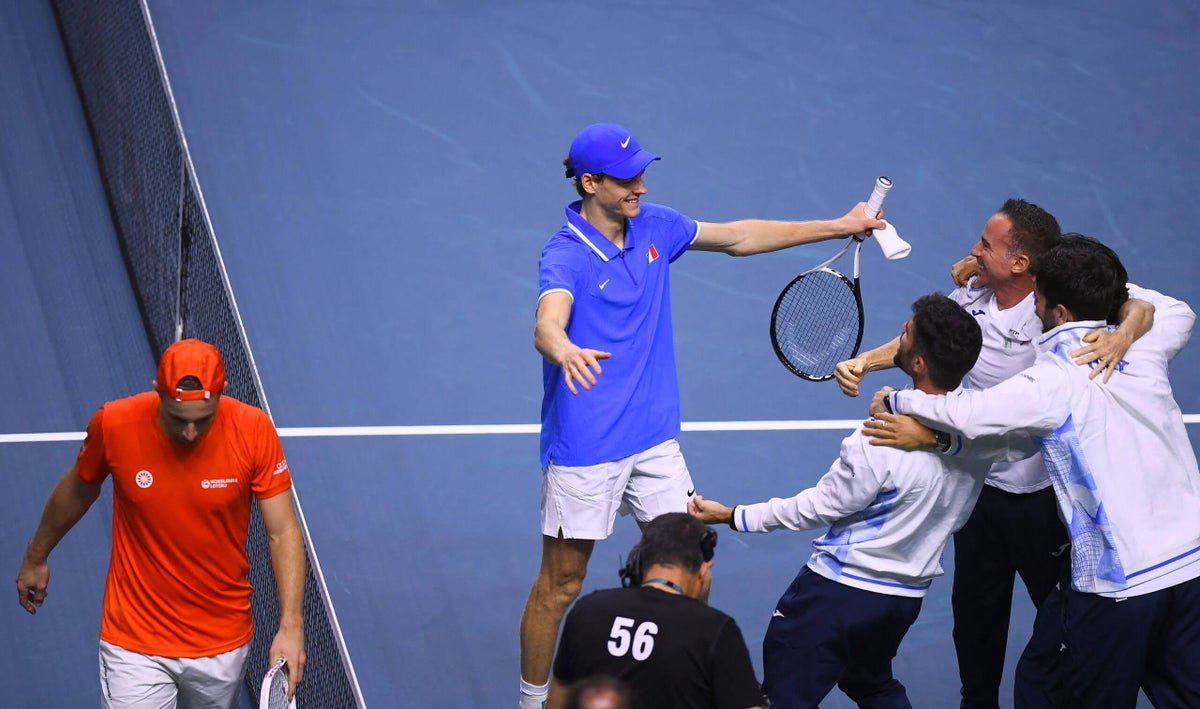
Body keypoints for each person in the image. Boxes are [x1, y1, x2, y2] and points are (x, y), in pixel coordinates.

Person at [518, 121, 885, 708]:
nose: (640, 184)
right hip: (586, 446)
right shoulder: (565, 254)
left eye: (642, 171)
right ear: (591, 183)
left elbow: (738, 236)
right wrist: (563, 349)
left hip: (654, 440)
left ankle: (676, 685)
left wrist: (839, 226)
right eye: (627, 176)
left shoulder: (655, 224)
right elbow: (547, 321)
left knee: (687, 563)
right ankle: (532, 703)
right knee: (561, 586)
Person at [833, 199, 1153, 708]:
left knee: (1065, 617)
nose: (973, 251)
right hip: (979, 493)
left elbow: (1143, 305)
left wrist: (1126, 334)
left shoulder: (1056, 306)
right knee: (975, 619)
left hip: (1042, 498)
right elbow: (923, 338)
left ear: (1022, 264)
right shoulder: (975, 295)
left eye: (987, 245)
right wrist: (865, 362)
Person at [691, 293, 995, 708]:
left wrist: (734, 515)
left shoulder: (879, 437)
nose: (899, 336)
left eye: (906, 334)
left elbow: (818, 507)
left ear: (919, 363)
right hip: (902, 598)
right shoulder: (983, 433)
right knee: (871, 683)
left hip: (837, 595)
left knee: (782, 699)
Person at [14, 339, 306, 707]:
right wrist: (36, 555)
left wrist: (291, 625)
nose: (189, 433)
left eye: (202, 420)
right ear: (158, 392)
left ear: (222, 393)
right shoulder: (115, 423)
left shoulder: (254, 431)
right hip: (135, 641)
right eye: (178, 420)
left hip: (222, 643)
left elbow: (283, 531)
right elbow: (77, 490)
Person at [548, 512, 766, 709]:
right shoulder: (715, 631)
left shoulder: (588, 611)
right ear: (703, 570)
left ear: (638, 562)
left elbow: (558, 703)